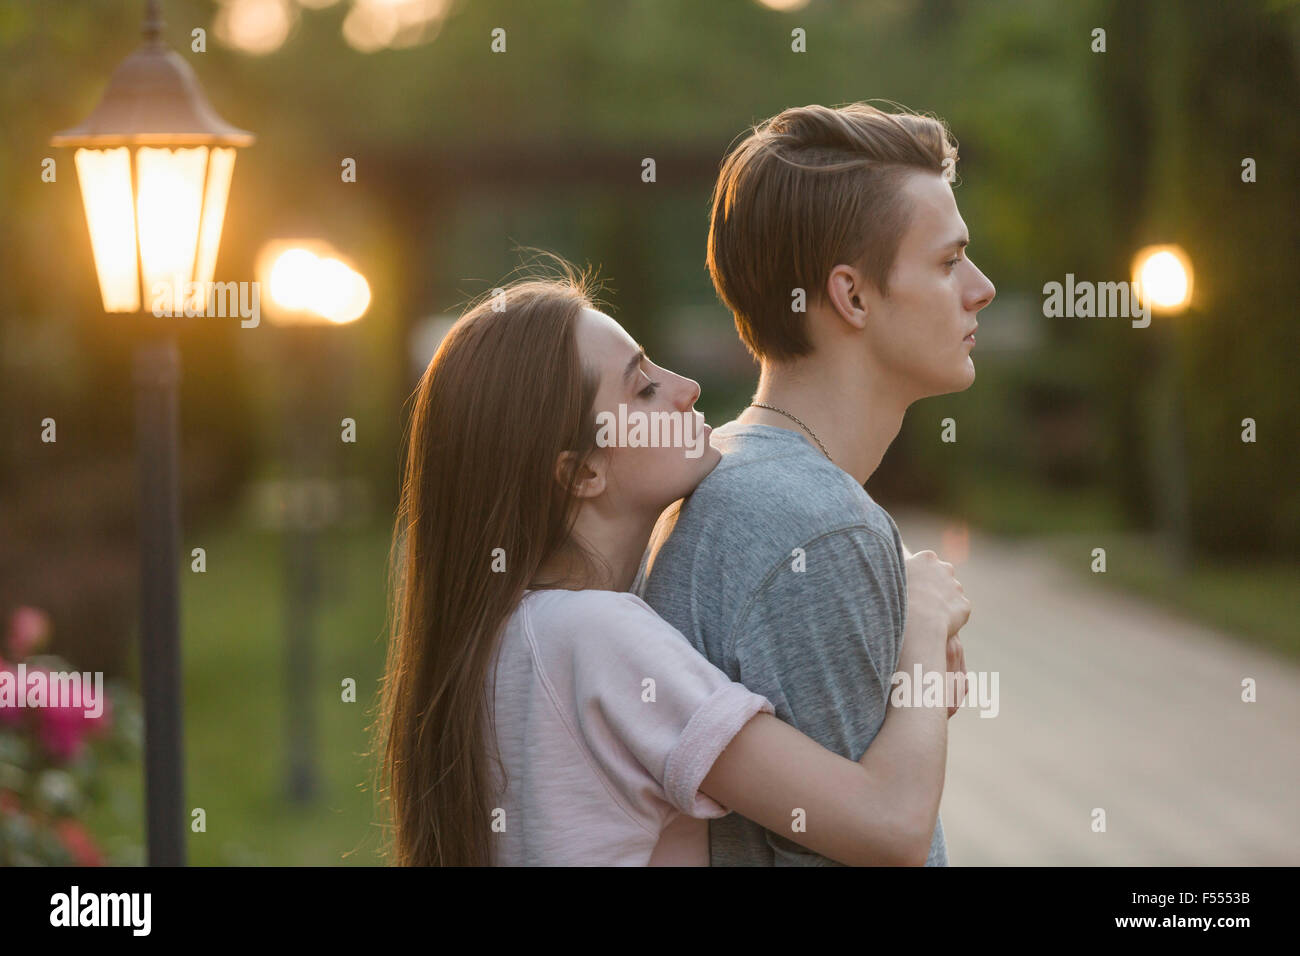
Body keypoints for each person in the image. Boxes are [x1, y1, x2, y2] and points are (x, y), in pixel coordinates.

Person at [374, 263, 970, 866]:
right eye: (643, 388)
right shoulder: (599, 639)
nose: (686, 387)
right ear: (582, 472)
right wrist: (920, 623)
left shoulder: (512, 635)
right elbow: (890, 829)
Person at [638, 102, 997, 866]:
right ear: (853, 296)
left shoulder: (727, 471)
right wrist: (922, 633)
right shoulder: (818, 529)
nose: (981, 287)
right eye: (946, 261)